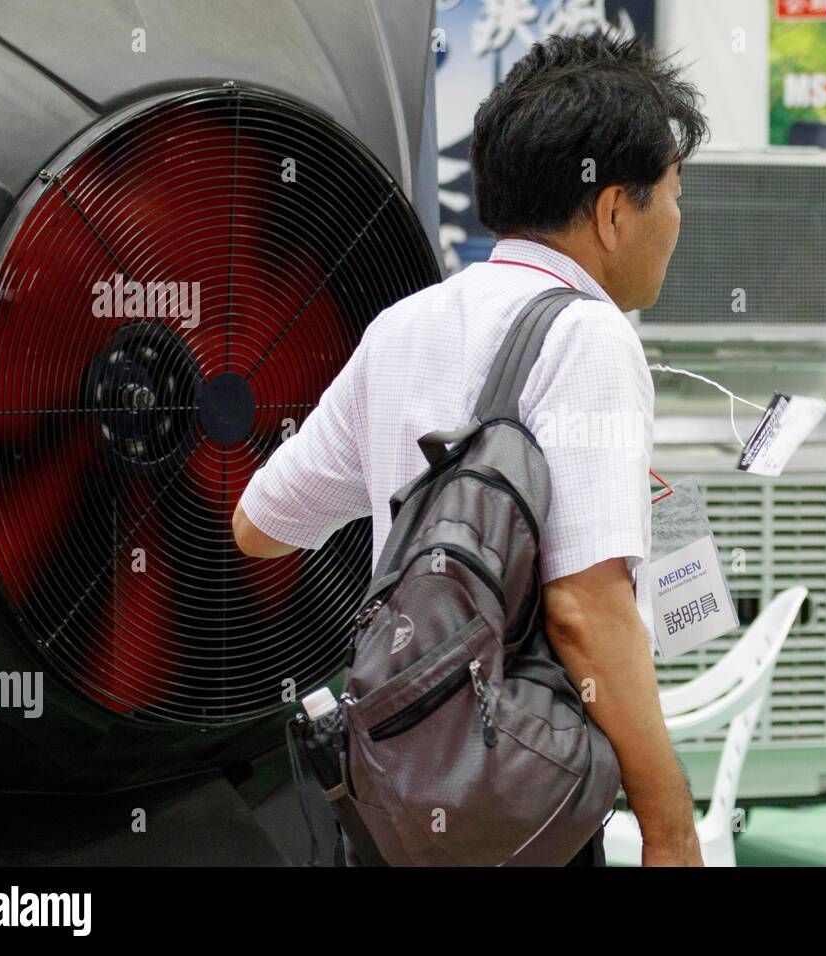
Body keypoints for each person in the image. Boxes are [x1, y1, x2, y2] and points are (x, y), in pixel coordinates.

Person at [232, 31, 709, 867]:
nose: (679, 216)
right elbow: (588, 611)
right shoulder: (589, 335)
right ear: (611, 210)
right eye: (672, 191)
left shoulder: (402, 327)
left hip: (393, 791)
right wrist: (670, 826)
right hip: (521, 801)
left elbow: (261, 523)